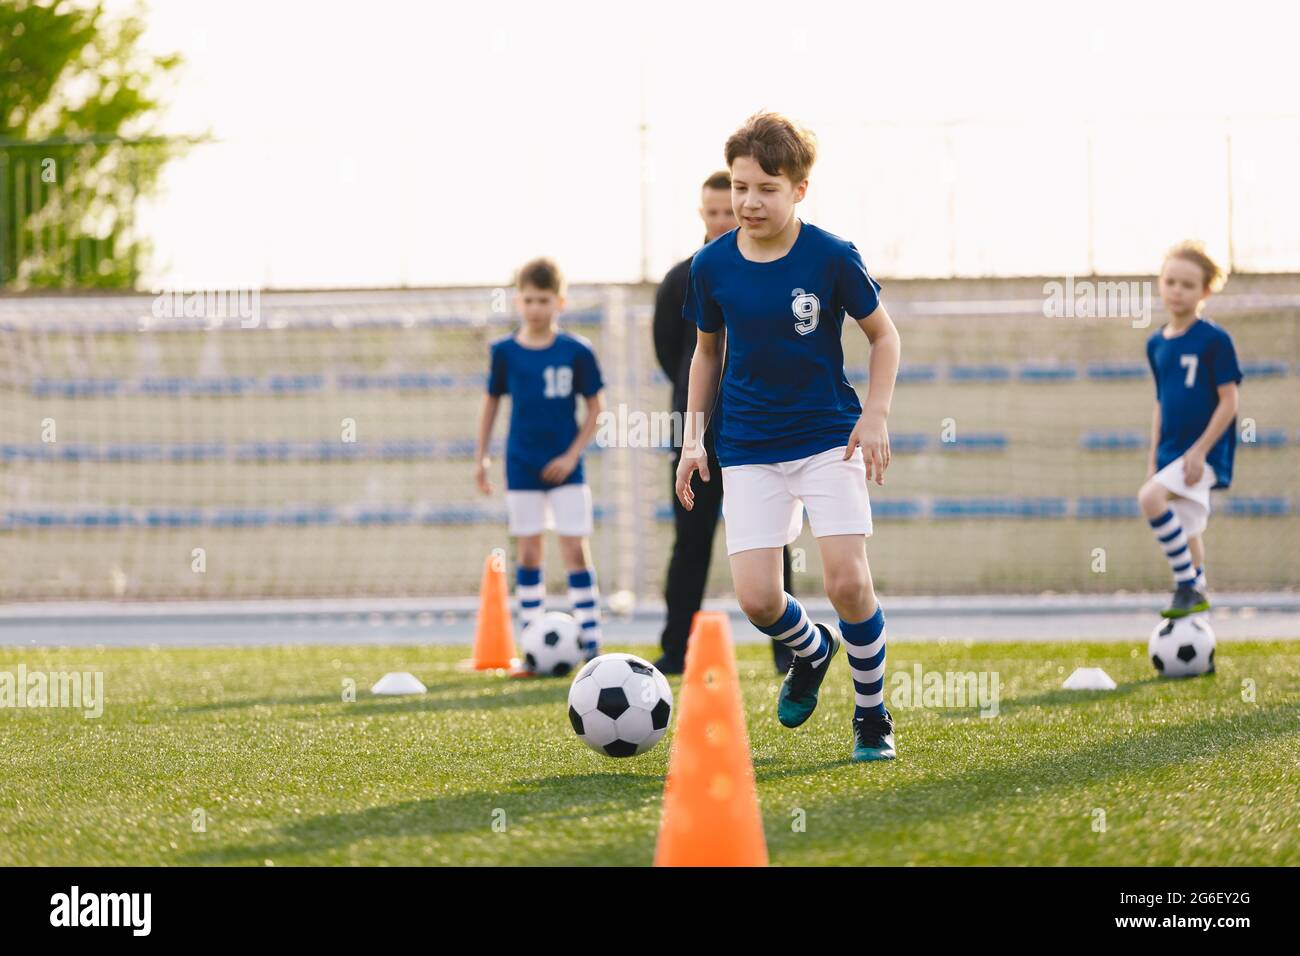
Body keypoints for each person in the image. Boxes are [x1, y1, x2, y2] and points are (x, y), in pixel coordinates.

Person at [676, 112, 902, 762]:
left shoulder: (831, 256)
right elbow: (707, 354)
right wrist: (695, 440)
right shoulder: (711, 266)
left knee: (846, 584)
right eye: (741, 186)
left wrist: (876, 413)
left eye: (765, 189)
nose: (749, 201)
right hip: (747, 445)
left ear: (798, 190)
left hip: (829, 437)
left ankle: (871, 715)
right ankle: (811, 648)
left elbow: (884, 336)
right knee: (756, 597)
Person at [652, 169, 796, 677]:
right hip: (698, 439)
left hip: (759, 433)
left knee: (773, 540)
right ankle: (674, 649)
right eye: (712, 211)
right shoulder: (681, 279)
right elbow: (674, 353)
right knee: (690, 544)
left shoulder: (772, 271)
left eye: (726, 209)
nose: (722, 218)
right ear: (703, 214)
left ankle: (790, 650)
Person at [474, 257, 607, 660]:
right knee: (529, 552)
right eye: (528, 300)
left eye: (543, 300)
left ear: (560, 302)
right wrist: (481, 457)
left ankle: (590, 639)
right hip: (522, 465)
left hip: (566, 469)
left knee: (574, 550)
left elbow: (596, 410)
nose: (535, 308)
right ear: (517, 301)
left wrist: (571, 456)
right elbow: (491, 405)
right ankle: (532, 639)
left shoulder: (577, 351)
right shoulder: (504, 352)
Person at [1137, 241, 1242, 618]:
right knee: (1189, 529)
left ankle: (1185, 585)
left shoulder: (1215, 340)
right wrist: (1153, 461)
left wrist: (1199, 451)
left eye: (1187, 284)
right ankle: (1196, 605)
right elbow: (1161, 404)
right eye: (1170, 281)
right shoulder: (1155, 344)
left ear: (1205, 291)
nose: (1176, 290)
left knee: (1149, 500)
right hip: (1170, 452)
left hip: (1205, 453)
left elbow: (1229, 402)